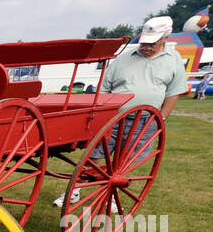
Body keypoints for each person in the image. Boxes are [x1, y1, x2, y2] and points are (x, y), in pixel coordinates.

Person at [56, 16, 188, 208]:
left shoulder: (173, 59)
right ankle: (74, 190)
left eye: (152, 42)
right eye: (144, 41)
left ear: (164, 38)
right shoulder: (124, 58)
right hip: (114, 118)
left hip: (145, 120)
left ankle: (111, 195)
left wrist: (162, 118)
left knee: (125, 160)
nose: (146, 45)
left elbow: (174, 92)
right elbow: (104, 87)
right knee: (94, 155)